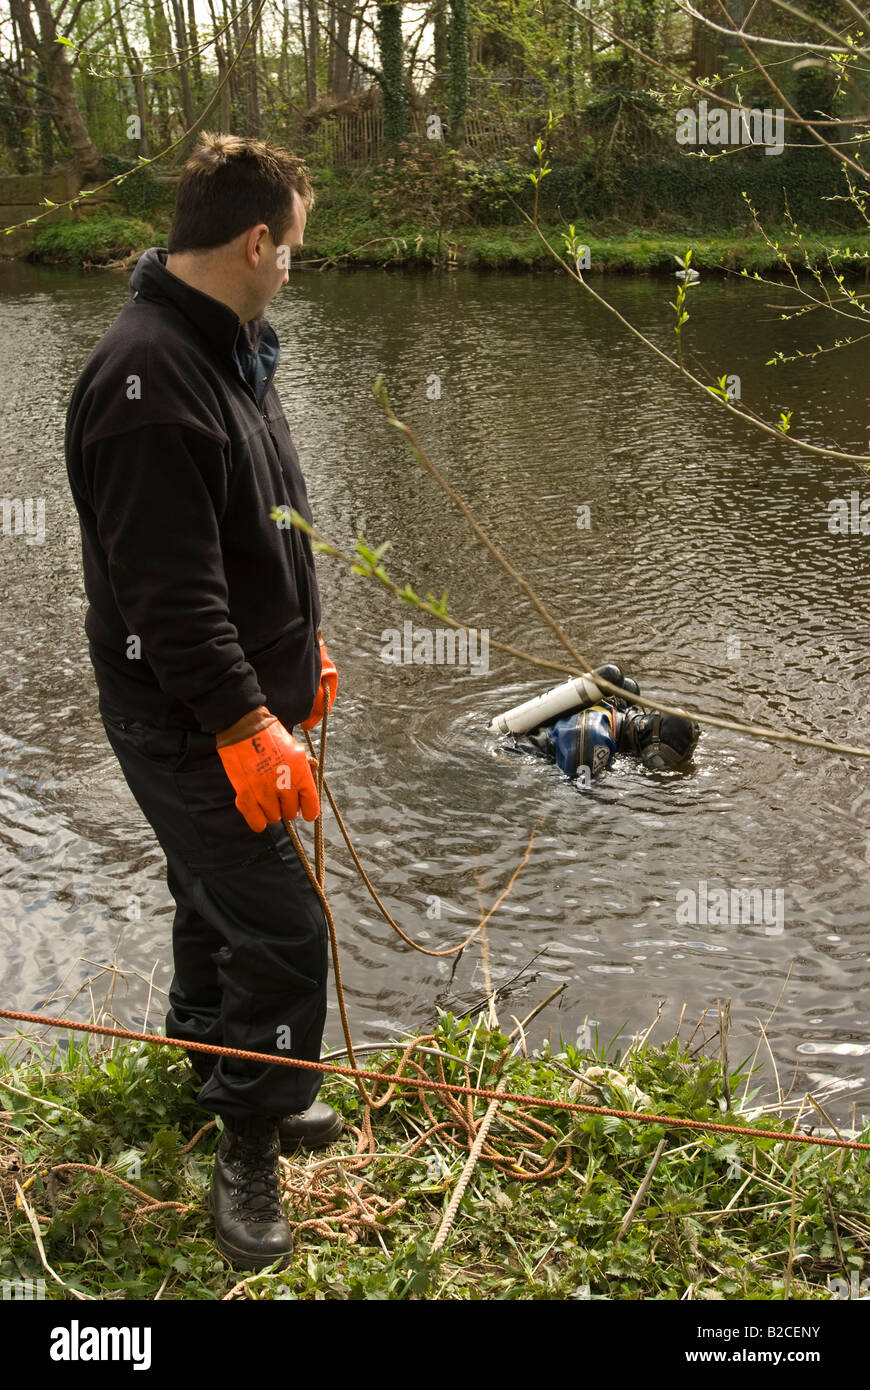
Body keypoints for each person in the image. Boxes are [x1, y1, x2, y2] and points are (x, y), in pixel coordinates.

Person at [64, 132, 340, 1272]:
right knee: (283, 928)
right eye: (294, 252)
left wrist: (302, 651)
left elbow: (258, 528)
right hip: (184, 717)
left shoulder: (232, 346)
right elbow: (168, 601)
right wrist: (242, 721)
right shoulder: (147, 384)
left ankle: (208, 1069)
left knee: (212, 896)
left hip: (237, 695)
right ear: (256, 242)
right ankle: (249, 1138)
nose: (295, 272)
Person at [513, 666, 700, 779]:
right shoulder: (593, 736)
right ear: (650, 733)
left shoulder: (626, 718)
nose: (653, 769)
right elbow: (577, 796)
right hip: (511, 760)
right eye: (657, 761)